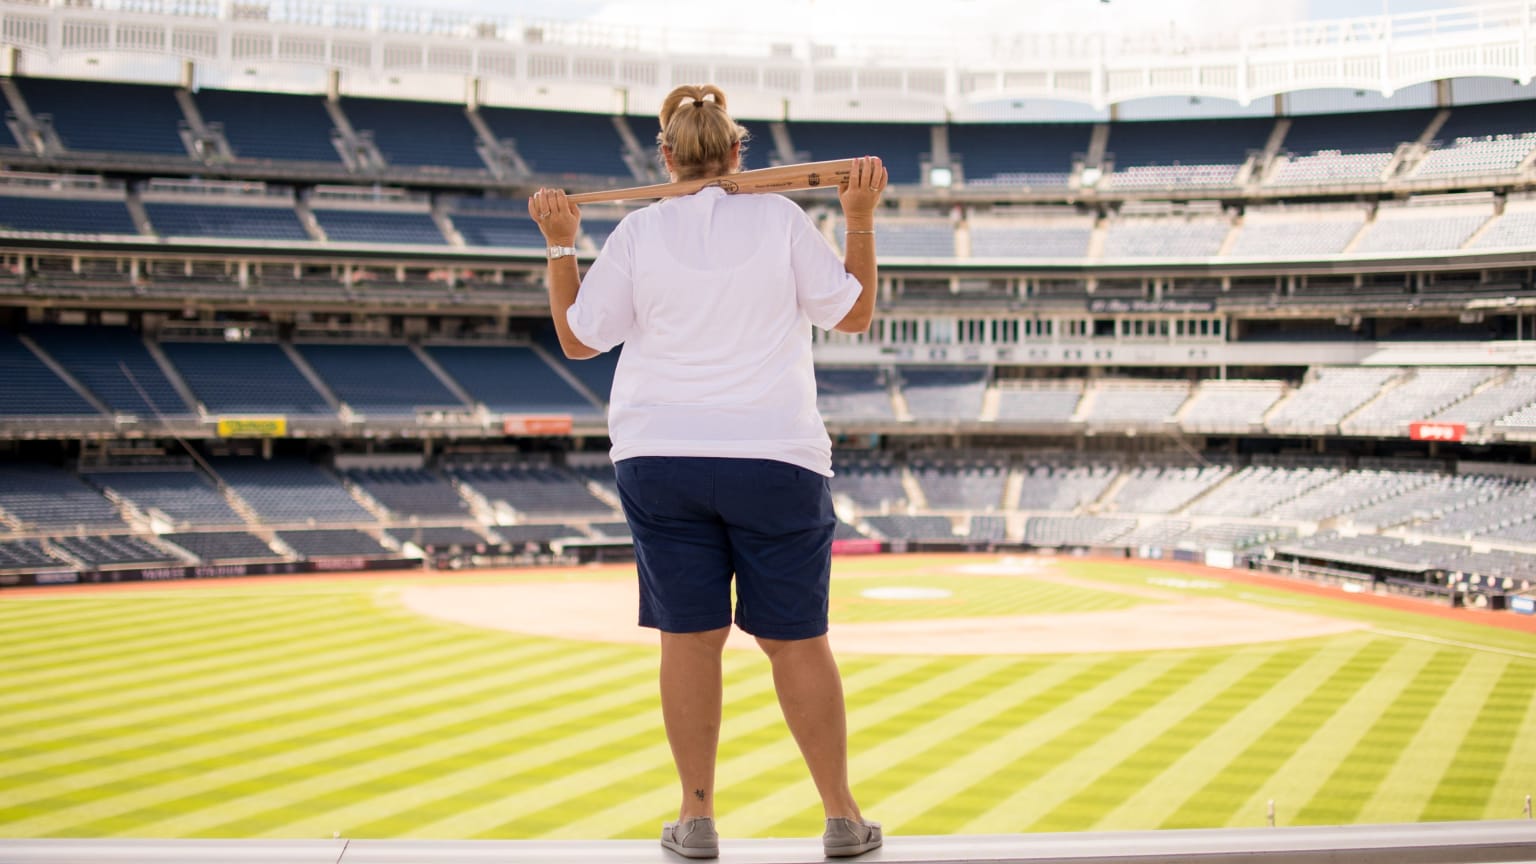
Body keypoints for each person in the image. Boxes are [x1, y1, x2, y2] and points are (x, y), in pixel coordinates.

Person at [527, 83, 886, 859]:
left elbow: (580, 340)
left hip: (662, 455)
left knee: (689, 640)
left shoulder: (636, 232)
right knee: (796, 641)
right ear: (735, 153)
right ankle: (841, 817)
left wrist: (561, 243)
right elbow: (852, 315)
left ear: (665, 156)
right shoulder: (782, 218)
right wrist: (858, 220)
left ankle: (695, 819)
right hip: (773, 454)